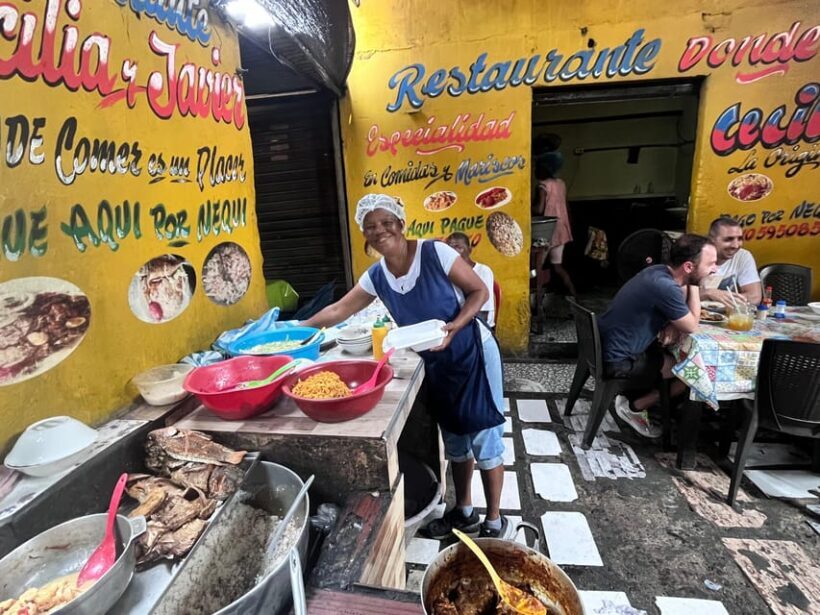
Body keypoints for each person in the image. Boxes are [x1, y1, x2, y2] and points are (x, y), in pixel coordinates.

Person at [303, 194, 511, 539]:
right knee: (456, 438)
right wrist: (297, 330)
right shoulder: (377, 276)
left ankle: (494, 521)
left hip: (471, 350)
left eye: (386, 222)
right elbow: (339, 310)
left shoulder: (436, 254)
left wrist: (454, 326)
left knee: (484, 437)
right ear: (365, 235)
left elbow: (479, 293)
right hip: (436, 359)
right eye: (370, 226)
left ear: (401, 224)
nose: (379, 230)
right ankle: (464, 511)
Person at [597, 234, 718, 438]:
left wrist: (672, 322)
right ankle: (634, 406)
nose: (715, 269)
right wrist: (696, 285)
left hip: (609, 345)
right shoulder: (664, 286)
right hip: (619, 359)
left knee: (682, 361)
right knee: (694, 373)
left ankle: (640, 400)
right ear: (688, 267)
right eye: (711, 264)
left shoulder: (658, 271)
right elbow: (692, 326)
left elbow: (678, 300)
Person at [533, 155, 577, 297]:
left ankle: (536, 302)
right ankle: (574, 295)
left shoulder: (542, 186)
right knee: (557, 266)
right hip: (562, 228)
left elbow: (539, 210)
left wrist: (524, 207)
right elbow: (567, 206)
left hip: (547, 230)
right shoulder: (561, 183)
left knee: (536, 269)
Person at [701, 217, 762, 308]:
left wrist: (721, 298)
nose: (736, 245)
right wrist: (708, 293)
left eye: (740, 239)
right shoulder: (695, 254)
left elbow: (755, 297)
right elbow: (678, 295)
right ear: (711, 239)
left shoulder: (743, 256)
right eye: (728, 239)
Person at [446, 232, 495, 329]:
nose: (453, 251)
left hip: (478, 325)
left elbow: (483, 312)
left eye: (458, 247)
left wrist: (458, 327)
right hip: (456, 322)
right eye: (449, 247)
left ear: (469, 250)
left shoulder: (482, 271)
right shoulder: (448, 272)